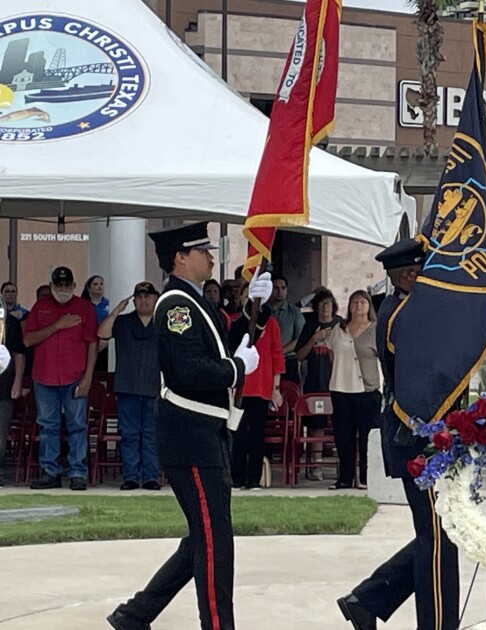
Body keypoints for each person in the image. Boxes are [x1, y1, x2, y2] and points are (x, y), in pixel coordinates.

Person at [107, 222, 267, 630]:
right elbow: (187, 370)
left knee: (204, 536)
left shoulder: (196, 301)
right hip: (190, 433)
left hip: (205, 432)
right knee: (215, 541)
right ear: (180, 257)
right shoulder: (175, 304)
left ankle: (134, 615)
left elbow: (221, 342)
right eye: (202, 250)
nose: (210, 256)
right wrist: (235, 370)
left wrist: (257, 313)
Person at [338, 238, 460, 630]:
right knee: (438, 538)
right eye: (421, 271)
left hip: (421, 435)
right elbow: (423, 379)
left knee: (437, 534)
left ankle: (368, 598)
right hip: (416, 436)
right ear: (408, 275)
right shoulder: (401, 316)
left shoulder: (405, 308)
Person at [24, 266, 98, 491]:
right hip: (44, 377)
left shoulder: (84, 308)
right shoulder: (41, 306)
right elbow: (28, 340)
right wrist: (57, 326)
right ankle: (50, 472)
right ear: (52, 286)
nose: (63, 289)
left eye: (67, 285)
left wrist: (88, 378)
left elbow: (92, 344)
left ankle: (78, 472)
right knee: (48, 426)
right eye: (59, 285)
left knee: (77, 425)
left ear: (74, 286)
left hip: (74, 377)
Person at [98, 282, 164, 491]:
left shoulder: (163, 323)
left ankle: (151, 477)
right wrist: (116, 310)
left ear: (155, 298)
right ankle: (131, 477)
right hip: (127, 388)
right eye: (140, 296)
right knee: (129, 435)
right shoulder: (124, 322)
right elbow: (102, 333)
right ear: (134, 300)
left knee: (151, 435)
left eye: (148, 296)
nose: (144, 300)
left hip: (154, 388)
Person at [229, 289, 284, 492]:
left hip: (262, 386)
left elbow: (277, 355)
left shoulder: (270, 323)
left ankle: (254, 479)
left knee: (257, 436)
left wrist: (276, 388)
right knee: (238, 435)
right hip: (240, 387)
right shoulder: (235, 322)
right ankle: (237, 478)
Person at [328, 290, 380, 490]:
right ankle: (344, 478)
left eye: (363, 302)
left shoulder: (375, 330)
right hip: (341, 388)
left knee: (367, 436)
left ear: (369, 306)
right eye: (355, 302)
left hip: (367, 391)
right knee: (343, 436)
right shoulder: (339, 330)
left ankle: (366, 478)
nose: (359, 306)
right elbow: (332, 353)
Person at [296, 288, 340, 480]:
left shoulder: (340, 325)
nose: (325, 308)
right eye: (322, 304)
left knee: (341, 424)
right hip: (314, 381)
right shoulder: (310, 324)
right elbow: (299, 355)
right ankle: (317, 466)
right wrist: (314, 338)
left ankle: (342, 465)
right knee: (316, 424)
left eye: (328, 304)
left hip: (337, 382)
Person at [0, 307, 24, 487]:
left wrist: (17, 381)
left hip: (4, 386)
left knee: (1, 432)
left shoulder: (11, 322)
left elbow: (18, 354)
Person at [266, 275, 306, 384]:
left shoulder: (295, 312)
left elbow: (301, 338)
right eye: (276, 288)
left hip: (288, 361)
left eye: (283, 288)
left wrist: (281, 352)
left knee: (290, 395)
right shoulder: (262, 311)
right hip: (266, 360)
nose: (280, 291)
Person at [83, 275, 111, 373]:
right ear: (89, 288)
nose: (99, 286)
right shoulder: (83, 305)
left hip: (103, 345)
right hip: (87, 344)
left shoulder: (108, 304)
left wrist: (107, 341)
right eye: (95, 284)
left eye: (101, 284)